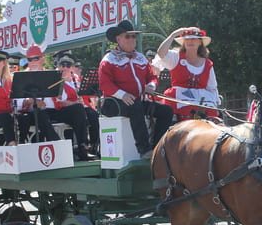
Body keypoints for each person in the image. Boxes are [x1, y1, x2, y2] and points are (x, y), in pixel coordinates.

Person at [98, 20, 173, 158]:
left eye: (134, 36)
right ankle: (144, 150)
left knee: (167, 111)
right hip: (112, 103)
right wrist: (122, 95)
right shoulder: (109, 59)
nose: (132, 39)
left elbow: (152, 76)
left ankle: (157, 147)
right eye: (128, 36)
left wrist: (151, 86)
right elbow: (105, 84)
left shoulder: (140, 57)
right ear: (118, 38)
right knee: (136, 107)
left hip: (136, 101)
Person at [153, 26, 221, 121]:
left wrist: (216, 104)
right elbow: (161, 53)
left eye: (193, 39)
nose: (190, 41)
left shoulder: (207, 64)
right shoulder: (176, 57)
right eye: (187, 39)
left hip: (202, 99)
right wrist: (173, 35)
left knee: (211, 114)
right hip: (178, 97)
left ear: (200, 42)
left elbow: (212, 87)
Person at [48, 55, 94, 161]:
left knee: (93, 114)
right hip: (58, 111)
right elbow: (61, 102)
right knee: (78, 109)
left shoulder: (75, 81)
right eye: (62, 65)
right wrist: (76, 103)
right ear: (58, 66)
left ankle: (93, 146)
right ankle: (82, 146)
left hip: (73, 110)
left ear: (72, 68)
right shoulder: (55, 80)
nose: (65, 68)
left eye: (68, 65)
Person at [16, 44, 59, 143]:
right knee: (40, 113)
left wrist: (60, 95)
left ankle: (84, 145)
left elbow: (62, 97)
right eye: (30, 60)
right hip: (34, 113)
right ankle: (56, 142)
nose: (33, 62)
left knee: (77, 109)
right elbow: (16, 102)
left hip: (53, 111)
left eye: (36, 58)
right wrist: (32, 101)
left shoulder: (51, 75)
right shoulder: (22, 77)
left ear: (42, 59)